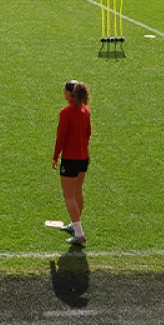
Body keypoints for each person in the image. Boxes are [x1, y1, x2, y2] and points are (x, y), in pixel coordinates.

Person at [52, 80, 92, 247]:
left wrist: (55, 156)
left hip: (70, 159)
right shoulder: (86, 110)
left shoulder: (66, 112)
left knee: (68, 196)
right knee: (77, 192)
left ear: (70, 93)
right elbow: (88, 133)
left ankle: (79, 233)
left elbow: (61, 137)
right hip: (84, 158)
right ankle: (75, 224)